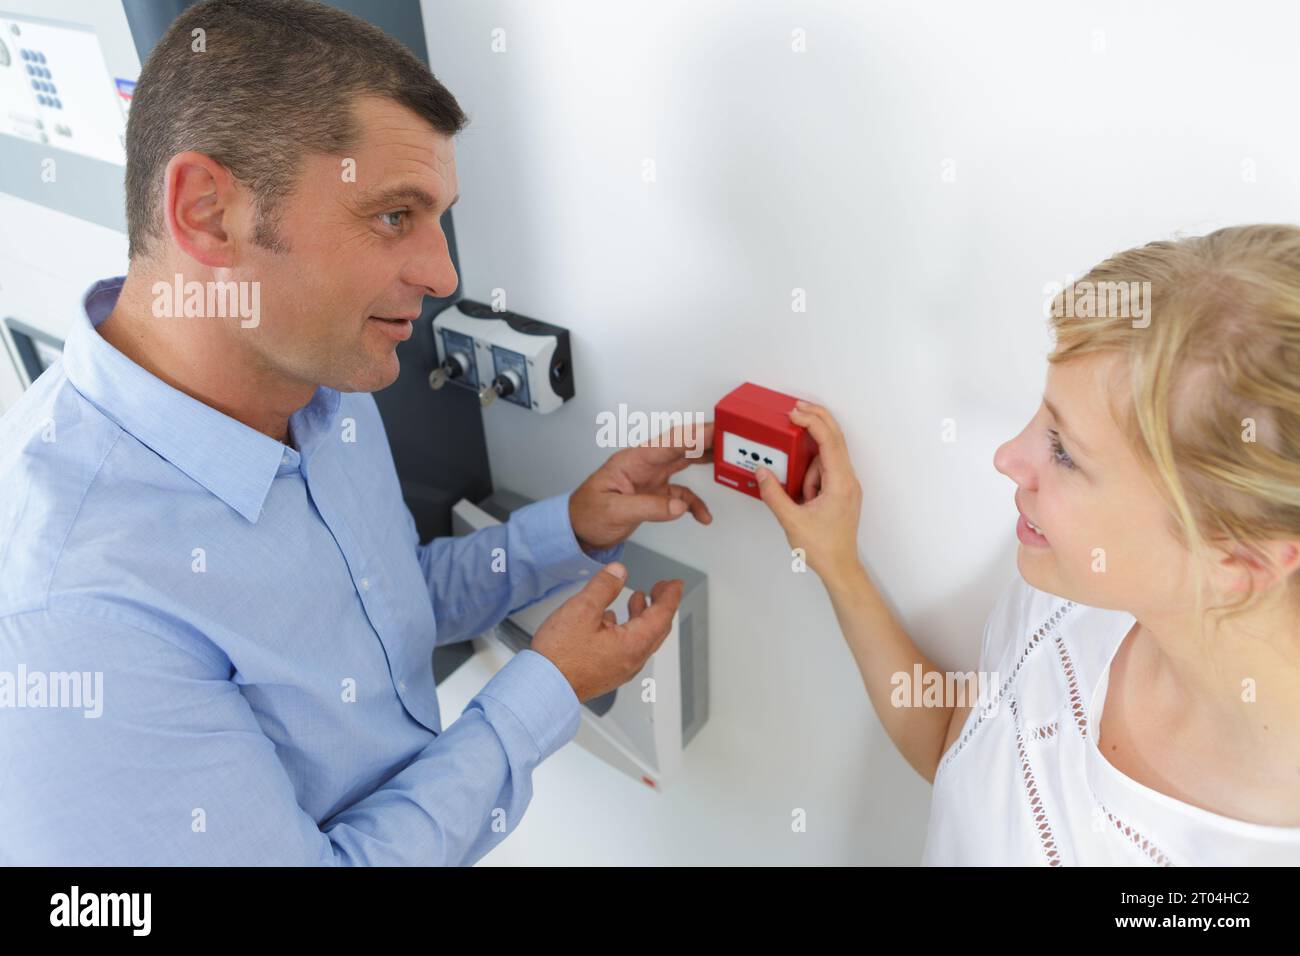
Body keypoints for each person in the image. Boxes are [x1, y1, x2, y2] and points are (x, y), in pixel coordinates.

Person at [0, 0, 713, 865]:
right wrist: (549, 690)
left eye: (438, 217)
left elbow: (384, 607)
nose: (443, 273)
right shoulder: (71, 615)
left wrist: (572, 528)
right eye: (392, 217)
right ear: (207, 213)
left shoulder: (321, 385)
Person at [756, 224, 1300, 864]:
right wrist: (837, 564)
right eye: (1045, 416)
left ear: (1238, 561)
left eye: (1065, 452)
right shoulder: (1074, 589)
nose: (1008, 457)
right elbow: (957, 750)